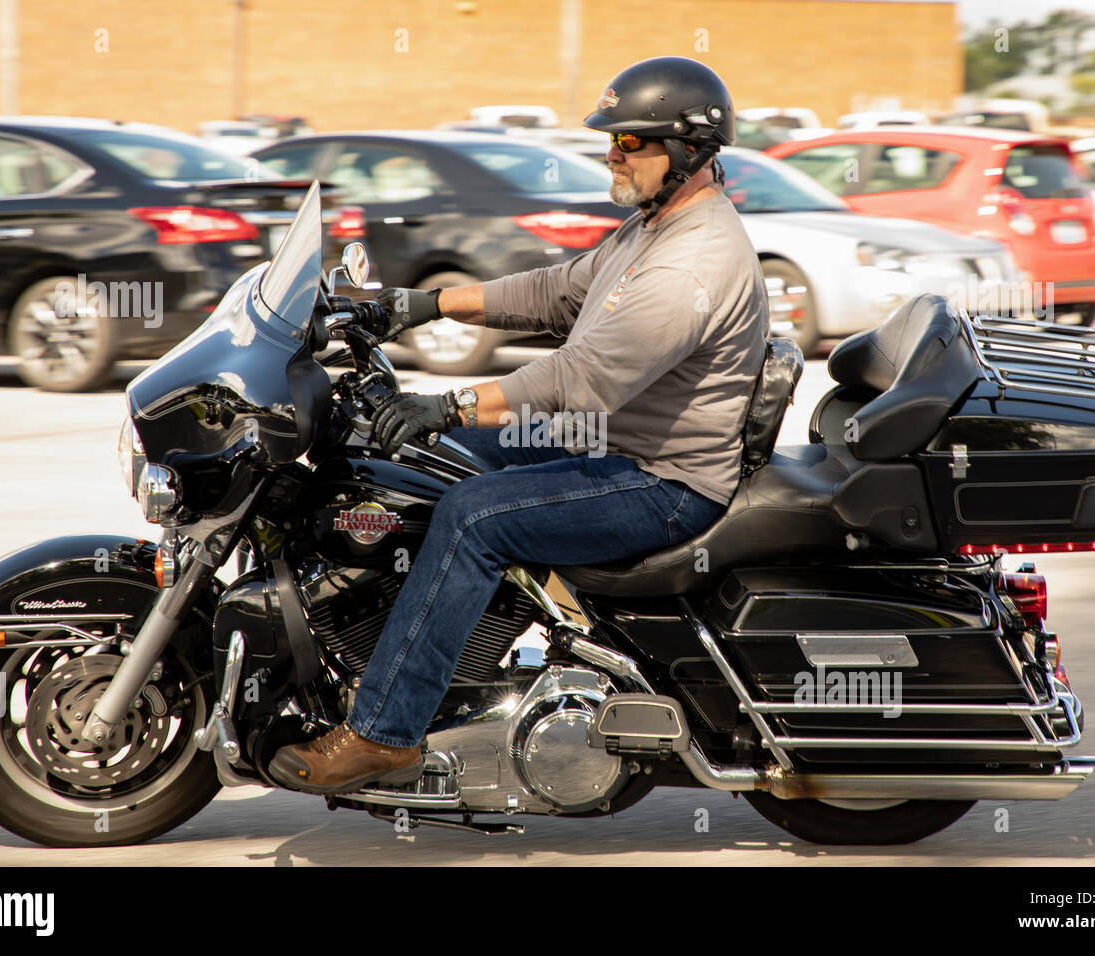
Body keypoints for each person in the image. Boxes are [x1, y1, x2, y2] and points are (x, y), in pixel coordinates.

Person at [269, 56, 770, 793]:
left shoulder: (694, 260)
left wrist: (449, 404)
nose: (612, 153)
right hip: (614, 446)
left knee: (474, 517)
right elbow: (555, 292)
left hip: (660, 481)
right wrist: (422, 305)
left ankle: (384, 732)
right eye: (613, 139)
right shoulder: (653, 229)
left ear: (687, 151)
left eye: (630, 141)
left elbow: (583, 381)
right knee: (418, 461)